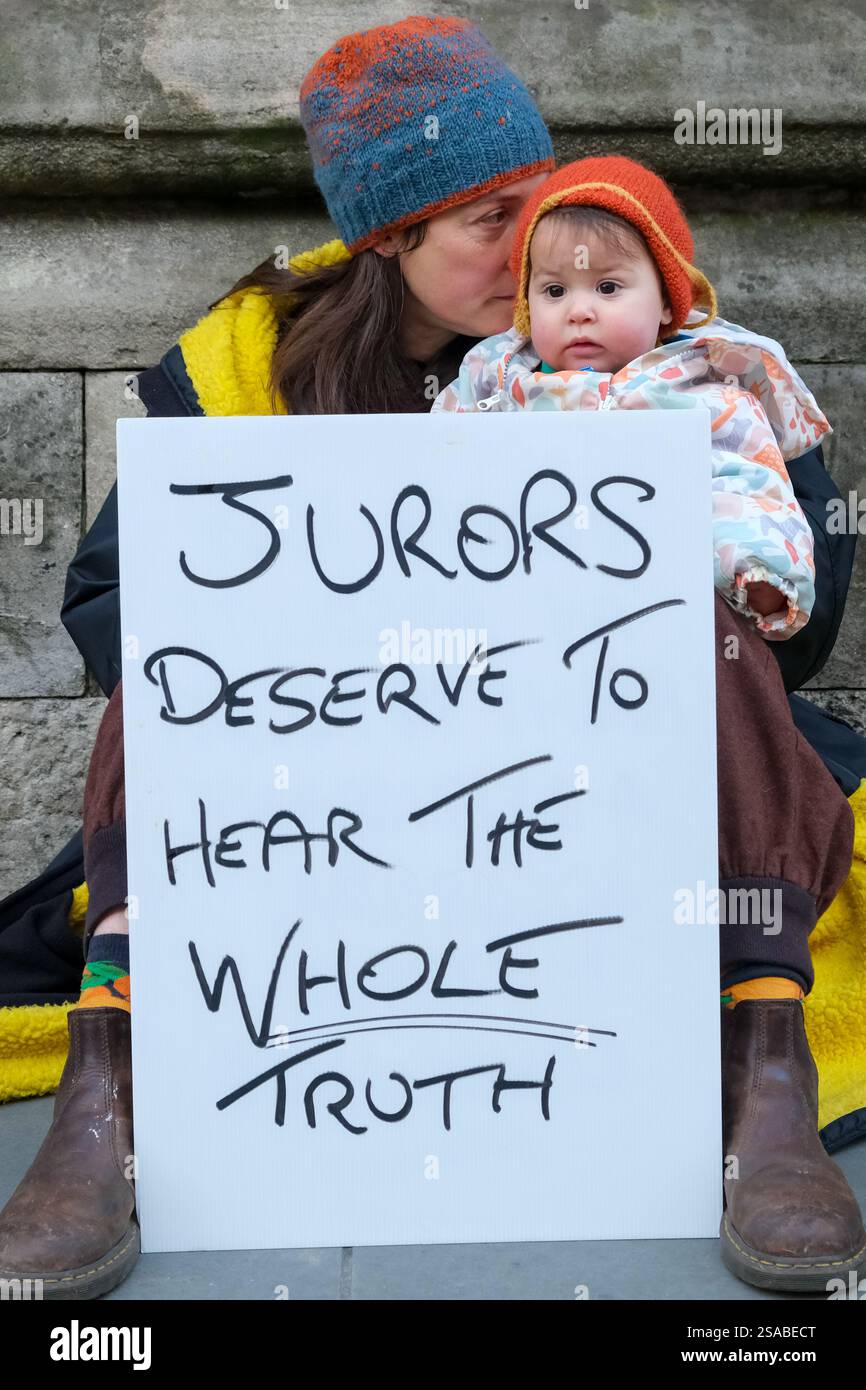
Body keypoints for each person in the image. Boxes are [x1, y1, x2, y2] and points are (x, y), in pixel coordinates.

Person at [0, 14, 862, 1300]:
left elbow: (802, 621)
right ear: (389, 237)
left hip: (597, 758)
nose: (542, 246)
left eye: (538, 205)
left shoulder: (645, 335)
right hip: (330, 771)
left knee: (705, 630)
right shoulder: (252, 367)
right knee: (184, 632)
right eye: (491, 217)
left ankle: (761, 1047)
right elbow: (113, 592)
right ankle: (111, 1076)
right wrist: (325, 656)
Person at [432, 155, 825, 643]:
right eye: (554, 290)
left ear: (665, 302)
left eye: (608, 287)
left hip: (648, 620)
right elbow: (436, 466)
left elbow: (742, 485)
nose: (579, 310)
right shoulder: (497, 384)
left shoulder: (704, 391)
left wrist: (755, 569)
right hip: (520, 607)